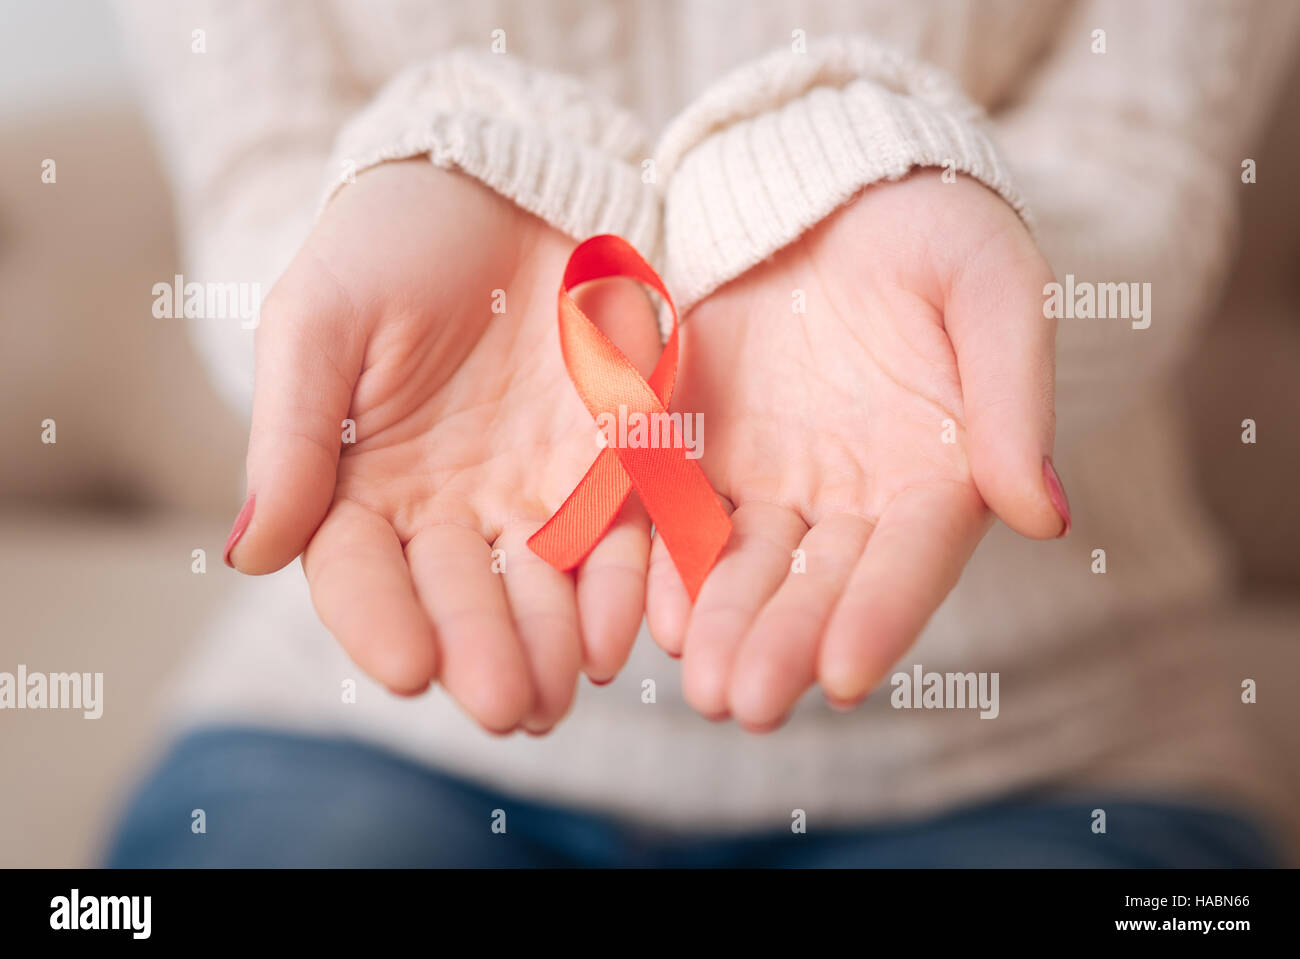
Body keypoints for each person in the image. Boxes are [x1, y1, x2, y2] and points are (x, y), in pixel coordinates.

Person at [108, 0, 1300, 867]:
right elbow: (258, 187)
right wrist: (440, 162)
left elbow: (1145, 159)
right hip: (355, 729)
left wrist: (868, 175)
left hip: (1050, 747)